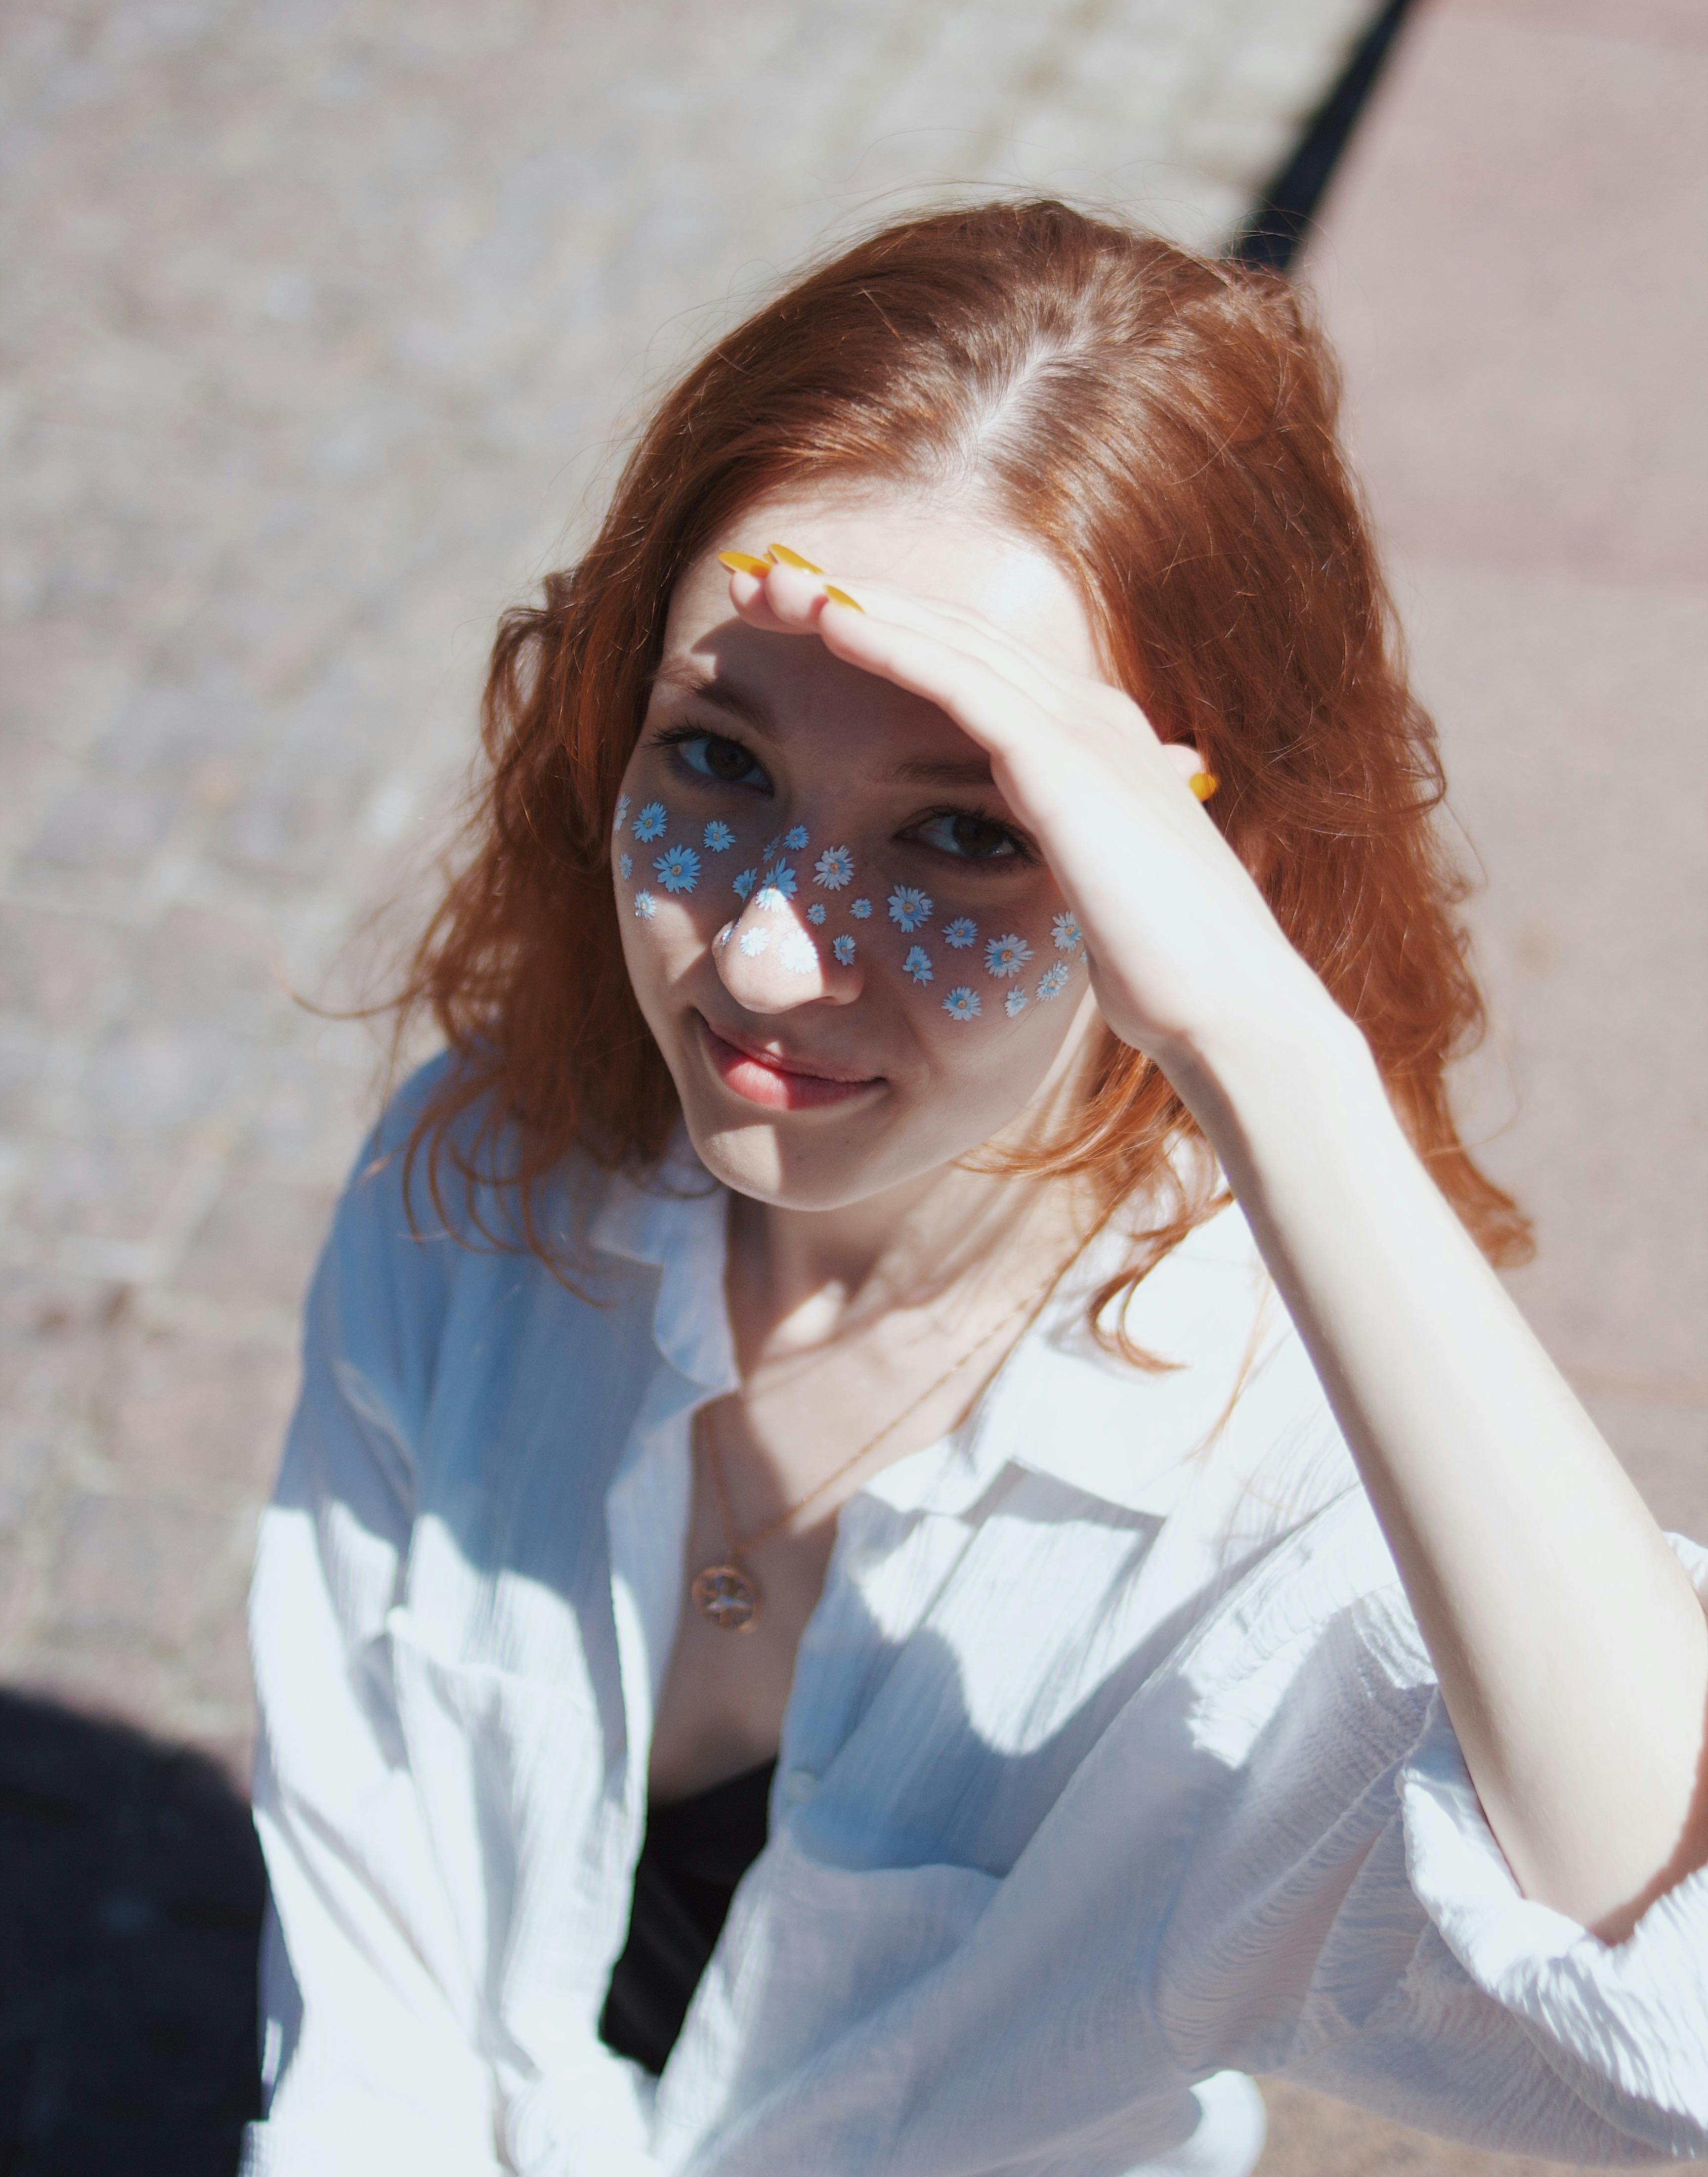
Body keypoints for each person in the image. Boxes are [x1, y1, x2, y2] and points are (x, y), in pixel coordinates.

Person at [240, 202, 1708, 2177]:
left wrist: (1272, 1056)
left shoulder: (1267, 1482)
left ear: (1190, 874)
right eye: (720, 761)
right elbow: (370, 1981)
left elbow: (1676, 2024)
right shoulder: (482, 1184)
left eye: (963, 832)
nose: (765, 958)